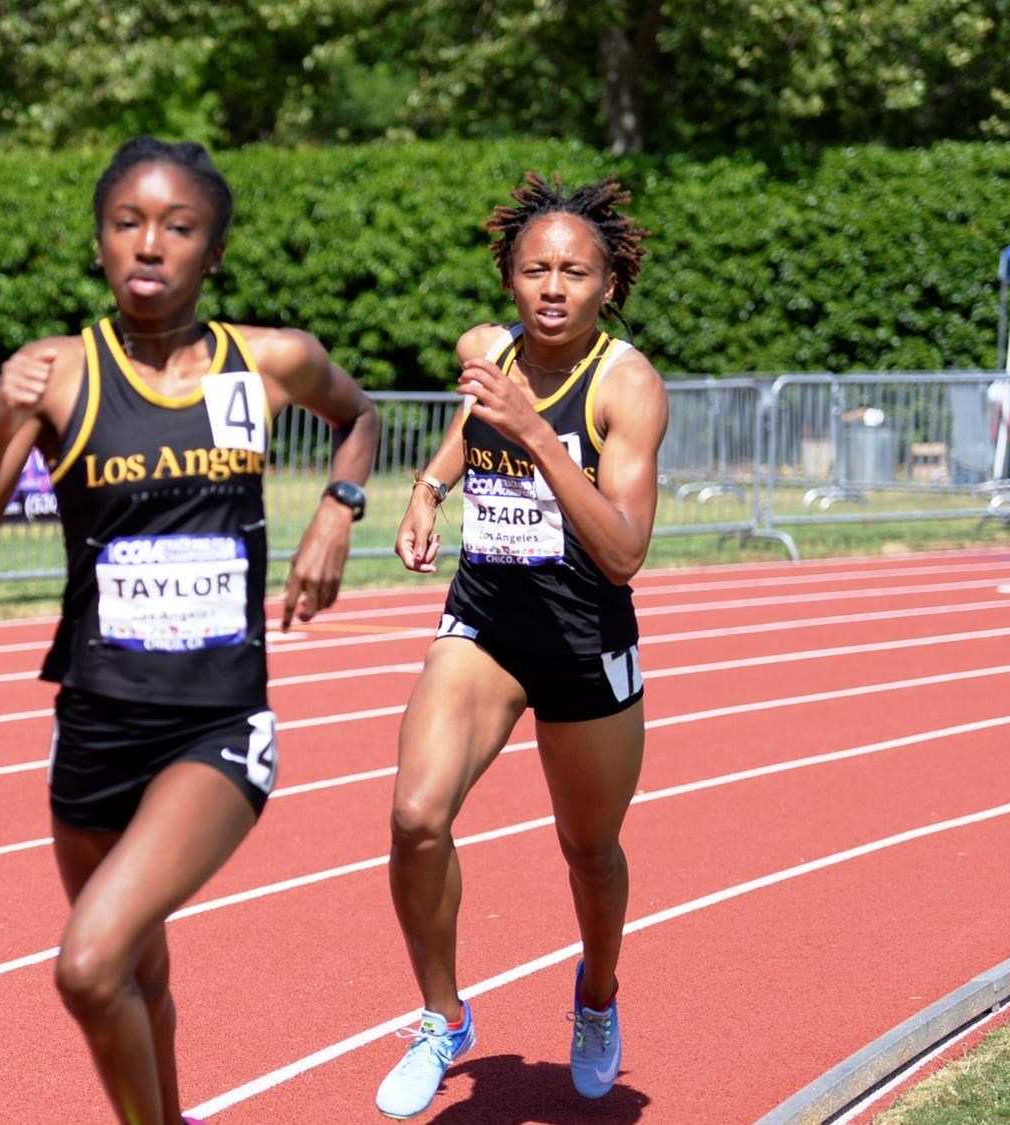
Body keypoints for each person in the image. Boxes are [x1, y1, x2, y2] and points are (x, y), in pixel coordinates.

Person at [0, 137, 379, 1125]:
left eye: (177, 227)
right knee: (138, 974)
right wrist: (2, 431)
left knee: (88, 968)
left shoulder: (269, 362)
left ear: (211, 251)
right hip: (93, 725)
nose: (148, 243)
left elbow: (358, 417)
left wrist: (335, 512)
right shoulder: (53, 379)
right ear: (97, 242)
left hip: (214, 724)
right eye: (126, 221)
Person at [374, 172, 667, 1119]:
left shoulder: (628, 385)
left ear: (608, 285)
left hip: (584, 640)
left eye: (573, 272)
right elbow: (473, 422)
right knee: (417, 816)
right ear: (508, 277)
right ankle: (441, 1016)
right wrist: (428, 485)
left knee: (588, 847)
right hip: (488, 621)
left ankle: (596, 995)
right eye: (534, 268)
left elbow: (624, 553)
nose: (552, 287)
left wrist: (542, 435)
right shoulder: (485, 351)